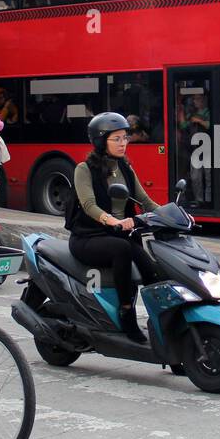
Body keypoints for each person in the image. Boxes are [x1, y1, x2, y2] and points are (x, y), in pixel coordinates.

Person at [68, 113, 159, 343]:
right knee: (122, 249)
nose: (123, 143)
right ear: (101, 141)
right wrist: (114, 221)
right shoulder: (84, 169)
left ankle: (160, 319)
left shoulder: (125, 167)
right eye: (116, 139)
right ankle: (126, 312)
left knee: (151, 267)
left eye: (125, 138)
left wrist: (175, 214)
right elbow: (89, 205)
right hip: (89, 236)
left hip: (118, 234)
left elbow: (146, 201)